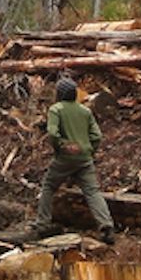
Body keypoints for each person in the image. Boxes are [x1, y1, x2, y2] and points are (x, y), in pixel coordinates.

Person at [31, 76, 116, 243]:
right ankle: (106, 226)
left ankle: (42, 223)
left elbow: (52, 133)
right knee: (92, 192)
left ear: (59, 94)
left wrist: (62, 146)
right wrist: (90, 152)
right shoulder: (85, 111)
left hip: (65, 158)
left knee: (48, 186)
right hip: (85, 159)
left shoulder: (56, 109)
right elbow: (97, 136)